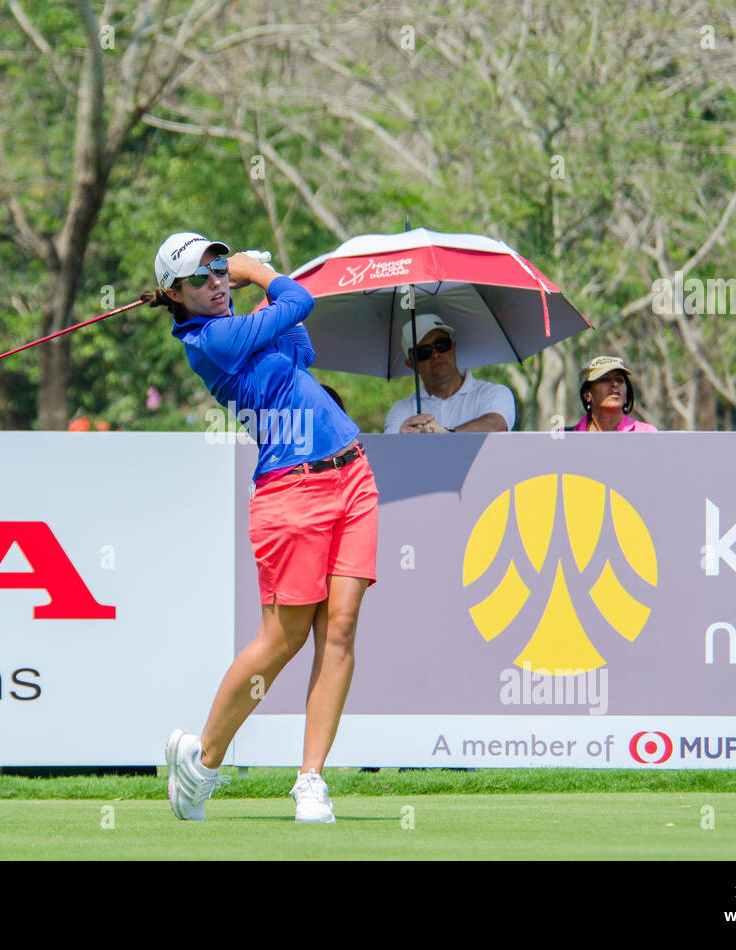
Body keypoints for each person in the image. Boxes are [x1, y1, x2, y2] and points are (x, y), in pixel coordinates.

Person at [149, 231, 378, 823]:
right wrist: (260, 273)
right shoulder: (208, 340)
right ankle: (202, 763)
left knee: (342, 627)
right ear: (175, 295)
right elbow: (300, 303)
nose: (218, 281)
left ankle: (311, 780)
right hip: (290, 491)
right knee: (283, 639)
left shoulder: (240, 331)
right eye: (202, 278)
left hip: (351, 473)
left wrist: (268, 305)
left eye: (222, 268)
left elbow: (298, 348)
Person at [382, 314, 515, 434]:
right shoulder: (401, 411)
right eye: (423, 352)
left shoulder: (493, 393)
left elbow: (494, 426)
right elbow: (389, 454)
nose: (435, 354)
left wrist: (446, 433)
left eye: (441, 345)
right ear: (411, 365)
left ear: (453, 346)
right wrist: (401, 439)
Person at [573, 356, 658, 432]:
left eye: (619, 380)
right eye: (605, 379)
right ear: (587, 394)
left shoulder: (646, 433)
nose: (615, 384)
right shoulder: (567, 436)